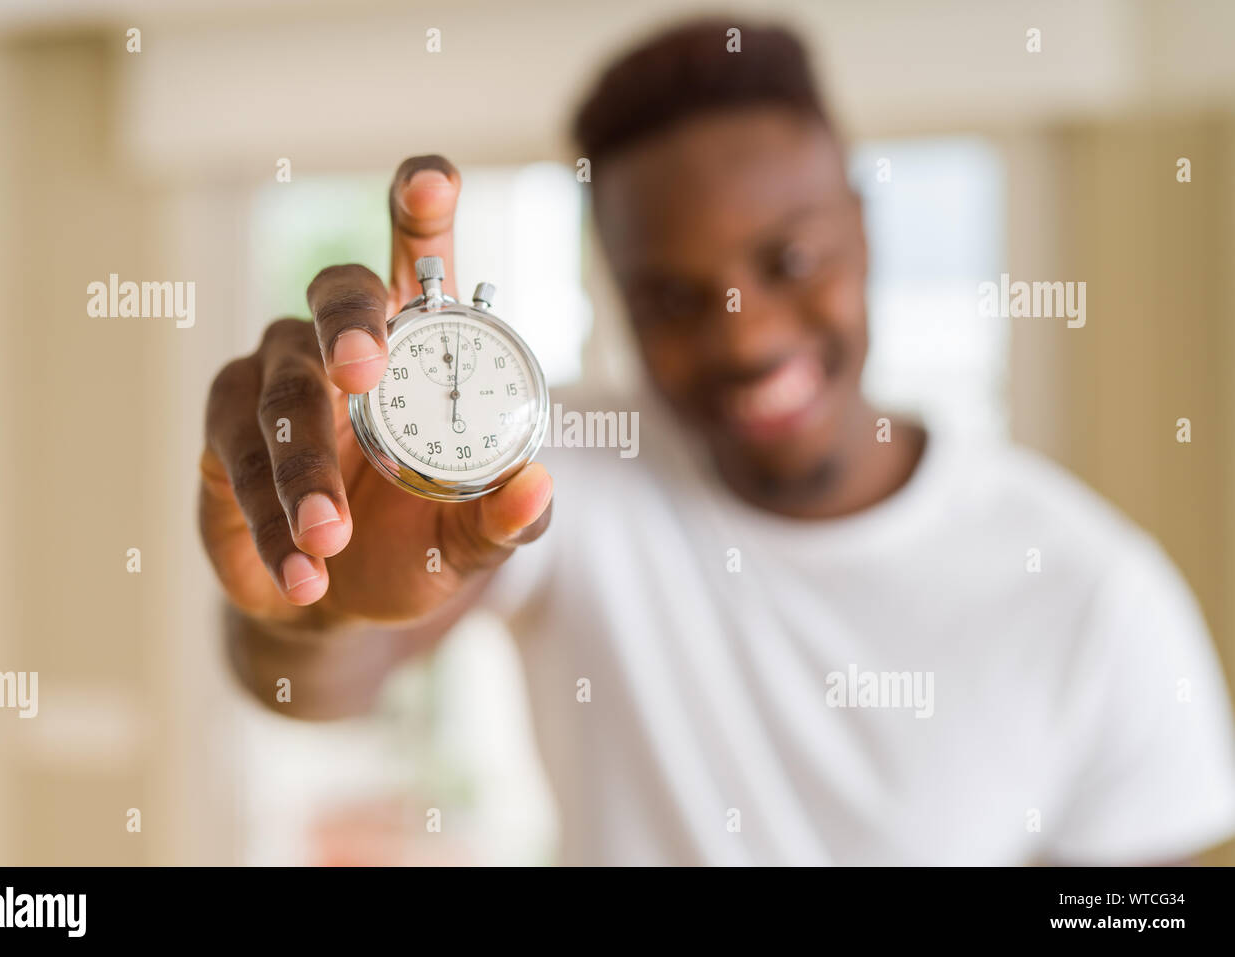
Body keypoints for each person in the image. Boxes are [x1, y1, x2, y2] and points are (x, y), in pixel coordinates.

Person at [198, 20, 1235, 865]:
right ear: (617, 299)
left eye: (789, 259)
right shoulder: (562, 473)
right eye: (672, 298)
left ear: (867, 232)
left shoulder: (1093, 589)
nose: (745, 336)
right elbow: (309, 684)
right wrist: (313, 606)